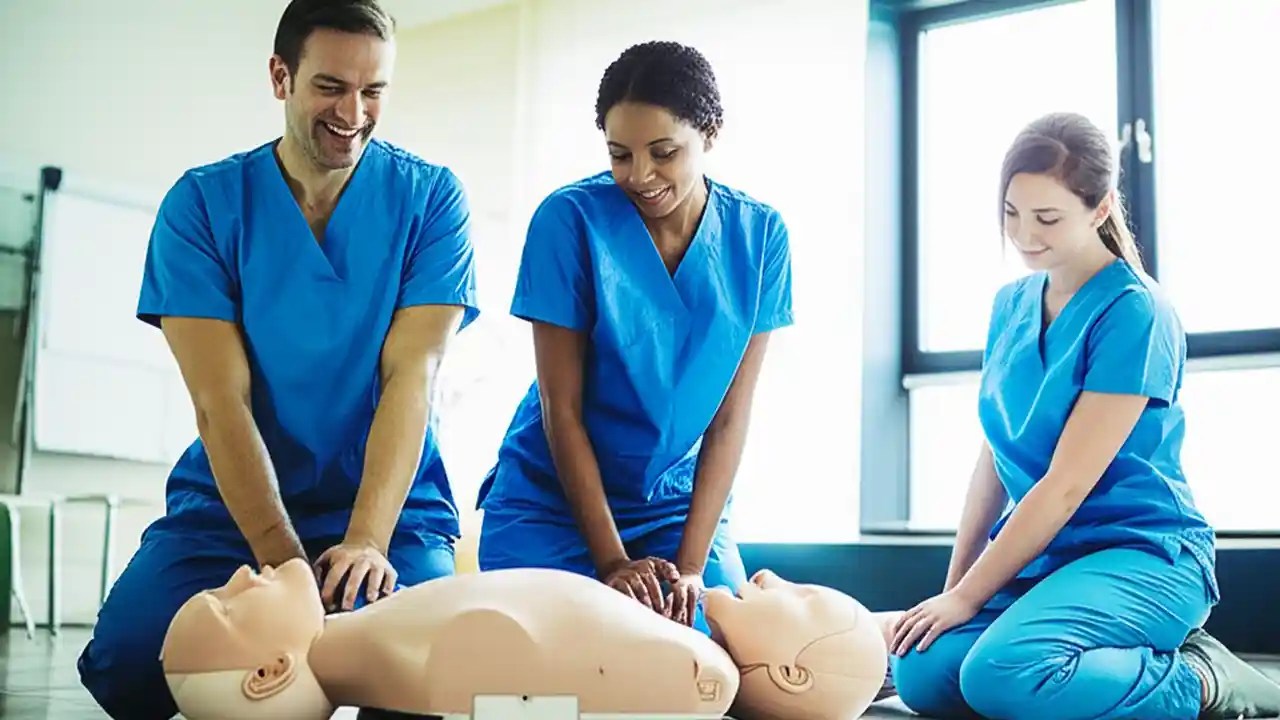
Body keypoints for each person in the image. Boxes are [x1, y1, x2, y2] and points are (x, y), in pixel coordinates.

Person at [77, 1, 480, 718]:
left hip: (387, 509)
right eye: (330, 86)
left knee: (423, 677)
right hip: (234, 510)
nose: (353, 111)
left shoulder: (430, 200)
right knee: (129, 666)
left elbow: (411, 377)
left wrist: (366, 541)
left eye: (374, 90)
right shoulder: (203, 206)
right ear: (280, 77)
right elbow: (217, 400)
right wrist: (286, 565)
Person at [888, 112, 1280, 720]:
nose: (1023, 235)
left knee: (1000, 674)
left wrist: (970, 599)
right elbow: (993, 457)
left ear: (1099, 210)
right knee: (921, 671)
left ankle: (1203, 676)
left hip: (1144, 553)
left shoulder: (1136, 312)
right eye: (1011, 213)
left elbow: (1066, 485)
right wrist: (952, 594)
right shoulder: (1010, 304)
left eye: (1047, 219)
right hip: (1049, 557)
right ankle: (1090, 660)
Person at [473, 40, 793, 626]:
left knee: (715, 650)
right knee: (561, 645)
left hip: (677, 507)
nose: (639, 176)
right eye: (620, 154)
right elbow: (560, 410)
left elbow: (728, 420)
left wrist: (692, 570)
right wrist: (613, 561)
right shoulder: (568, 220)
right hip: (554, 503)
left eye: (663, 152)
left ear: (711, 134)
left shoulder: (761, 236)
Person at [158, 557, 891, 720]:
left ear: (790, 676)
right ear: (270, 673)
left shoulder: (704, 672)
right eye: (230, 606)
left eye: (799, 598)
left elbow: (518, 693)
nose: (770, 574)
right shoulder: (696, 667)